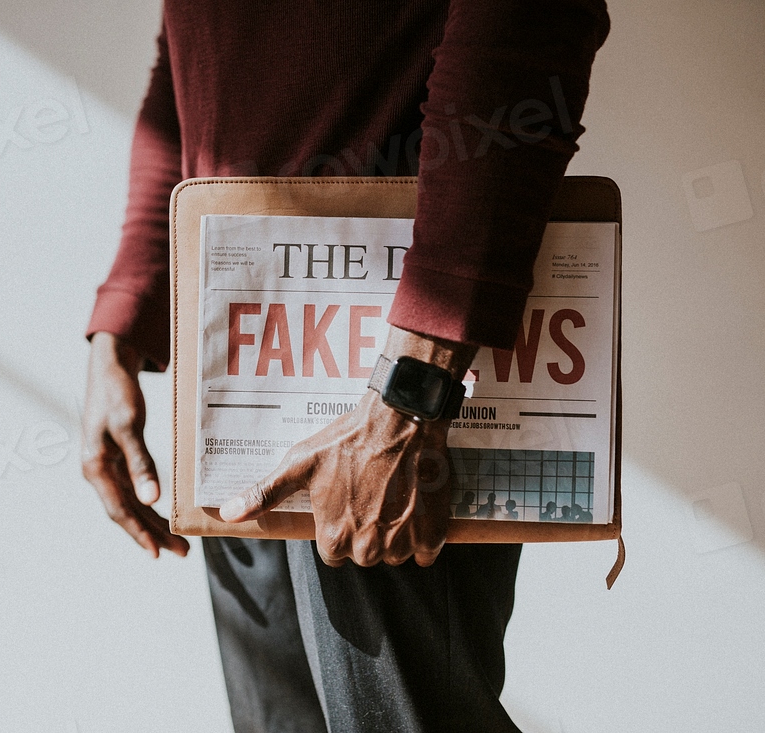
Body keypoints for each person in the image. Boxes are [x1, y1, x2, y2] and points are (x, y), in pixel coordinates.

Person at [81, 2, 610, 731]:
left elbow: (527, 26)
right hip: (241, 356)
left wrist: (414, 387)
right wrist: (128, 319)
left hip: (384, 368)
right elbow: (188, 52)